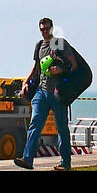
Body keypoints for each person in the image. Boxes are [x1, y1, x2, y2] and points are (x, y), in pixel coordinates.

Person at [16, 17, 76, 171]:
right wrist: (25, 82)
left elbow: (73, 65)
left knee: (61, 127)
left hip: (58, 93)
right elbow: (36, 67)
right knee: (35, 124)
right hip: (41, 92)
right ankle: (27, 159)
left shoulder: (60, 43)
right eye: (41, 29)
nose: (44, 31)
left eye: (46, 28)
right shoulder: (39, 45)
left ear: (52, 28)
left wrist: (61, 70)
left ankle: (65, 163)